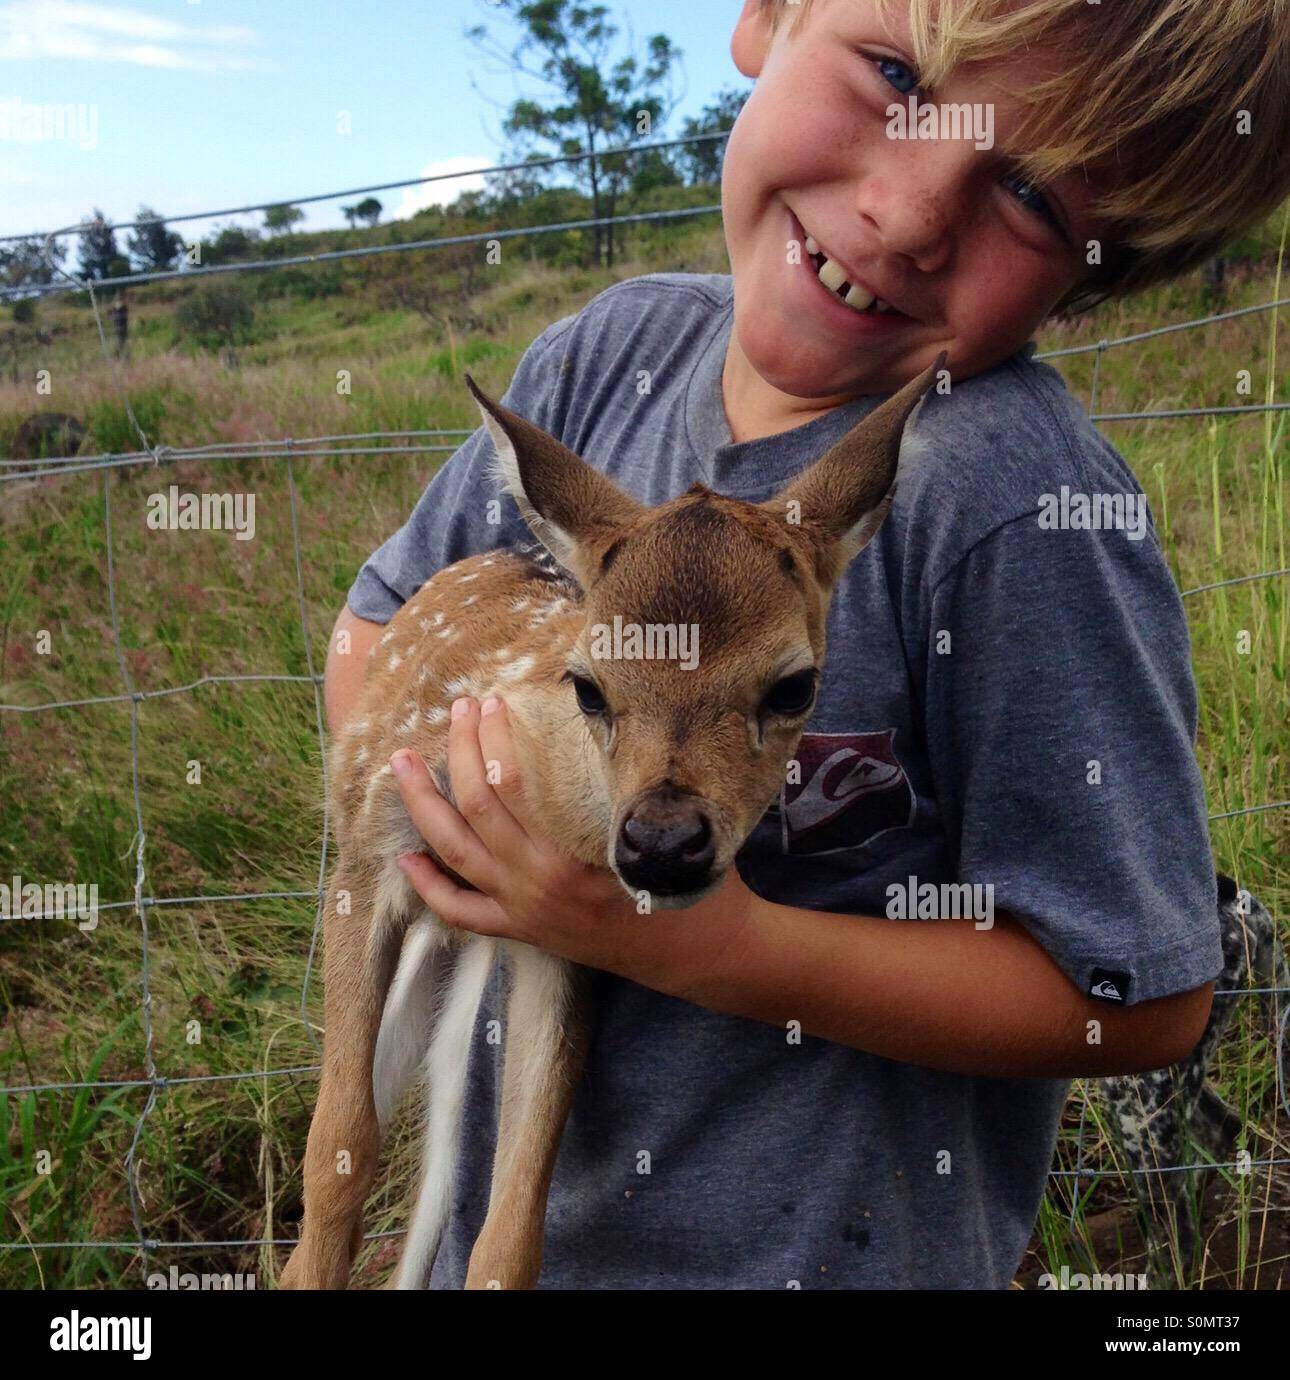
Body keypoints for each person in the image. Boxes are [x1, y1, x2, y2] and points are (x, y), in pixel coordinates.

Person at [323, 0, 1290, 1287]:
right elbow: (378, 633)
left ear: (1106, 269)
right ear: (767, 18)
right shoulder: (602, 363)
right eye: (894, 75)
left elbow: (1142, 998)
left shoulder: (1011, 508)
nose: (906, 212)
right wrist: (495, 823)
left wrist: (706, 944)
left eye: (1034, 198)